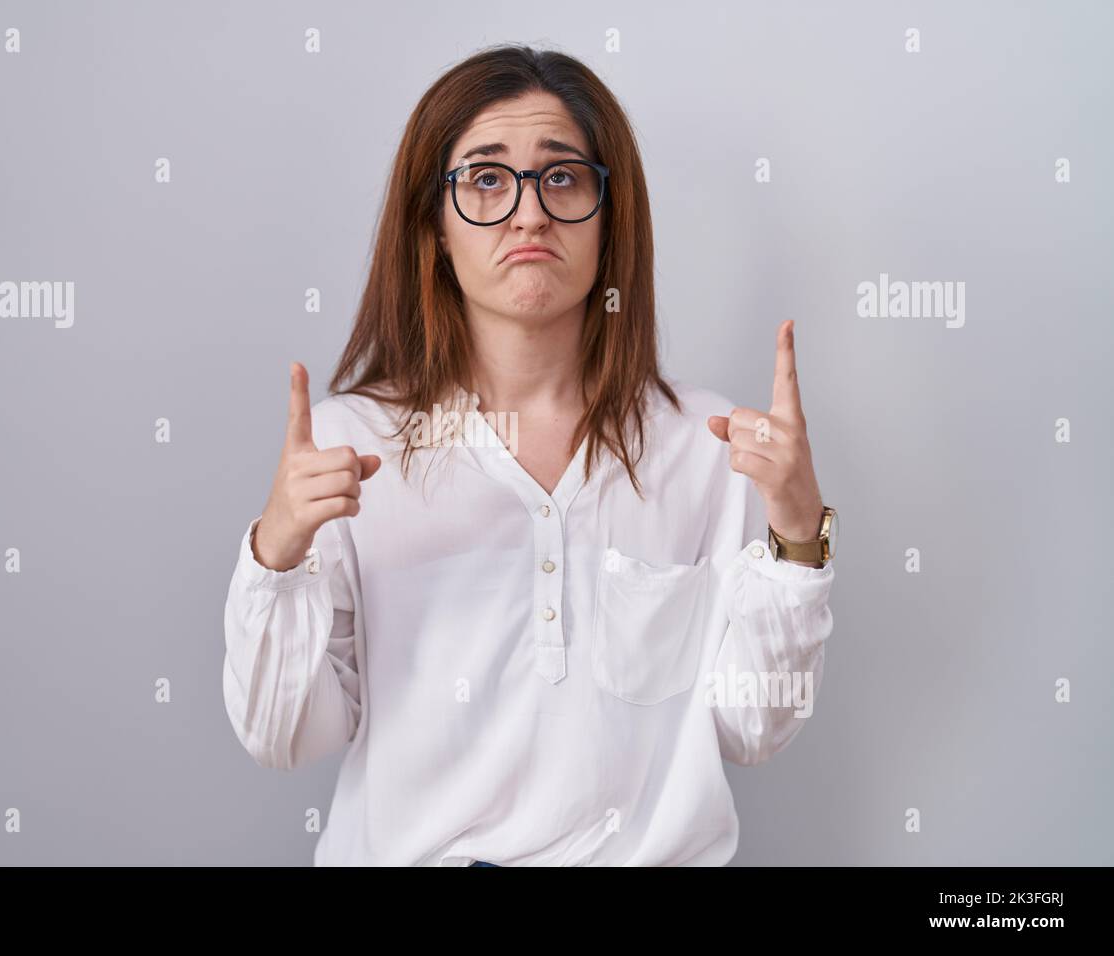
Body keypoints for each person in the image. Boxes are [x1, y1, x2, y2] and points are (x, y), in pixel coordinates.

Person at [222, 44, 838, 866]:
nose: (527, 214)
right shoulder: (350, 446)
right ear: (433, 229)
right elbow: (284, 737)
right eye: (484, 178)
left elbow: (749, 728)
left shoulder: (710, 444)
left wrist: (798, 538)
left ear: (609, 217)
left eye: (562, 178)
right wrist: (277, 553)